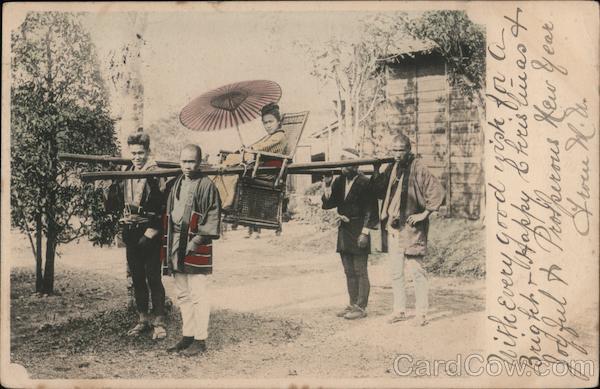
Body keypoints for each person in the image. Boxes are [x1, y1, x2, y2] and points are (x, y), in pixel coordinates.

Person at [371, 133, 445, 326]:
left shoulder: (418, 167)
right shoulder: (392, 167)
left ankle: (421, 313)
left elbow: (436, 191)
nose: (397, 154)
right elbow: (379, 191)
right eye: (394, 150)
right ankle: (399, 310)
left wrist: (424, 214)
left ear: (408, 150)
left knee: (416, 272)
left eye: (401, 150)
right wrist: (376, 169)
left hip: (411, 228)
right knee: (396, 272)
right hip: (394, 228)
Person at [102, 131, 167, 339]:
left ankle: (159, 321)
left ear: (148, 151)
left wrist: (150, 233)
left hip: (151, 231)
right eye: (134, 153)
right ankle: (143, 319)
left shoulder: (155, 174)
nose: (137, 157)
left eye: (140, 153)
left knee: (153, 277)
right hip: (131, 231)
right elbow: (112, 204)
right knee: (137, 277)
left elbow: (162, 207)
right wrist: (110, 178)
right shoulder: (126, 172)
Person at [163, 144, 221, 356]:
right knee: (183, 294)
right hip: (176, 240)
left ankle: (200, 339)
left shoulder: (207, 186)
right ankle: (187, 335)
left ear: (200, 162)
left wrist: (195, 242)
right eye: (184, 161)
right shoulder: (176, 183)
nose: (187, 166)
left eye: (192, 161)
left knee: (198, 294)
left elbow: (213, 217)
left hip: (196, 242)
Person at [321, 148, 379, 320]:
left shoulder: (364, 182)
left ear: (355, 164)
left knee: (360, 269)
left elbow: (371, 210)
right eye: (342, 161)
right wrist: (327, 184)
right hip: (344, 229)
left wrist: (365, 233)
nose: (343, 166)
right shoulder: (339, 181)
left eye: (347, 161)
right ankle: (352, 303)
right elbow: (328, 204)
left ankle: (361, 307)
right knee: (348, 270)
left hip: (359, 229)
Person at [213, 102, 288, 210]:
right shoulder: (270, 136)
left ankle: (226, 200)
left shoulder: (280, 136)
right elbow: (257, 145)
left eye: (271, 122)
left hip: (266, 171)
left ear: (279, 121)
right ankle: (223, 197)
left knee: (230, 162)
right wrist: (246, 148)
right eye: (265, 123)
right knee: (230, 159)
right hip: (258, 165)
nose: (268, 125)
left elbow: (261, 147)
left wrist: (249, 150)